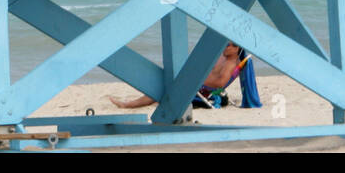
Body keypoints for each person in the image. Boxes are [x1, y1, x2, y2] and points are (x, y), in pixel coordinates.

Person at [107, 42, 251, 109]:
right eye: (224, 44)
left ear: (236, 48)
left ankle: (127, 105)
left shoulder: (231, 64)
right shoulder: (223, 57)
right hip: (197, 83)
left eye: (228, 45)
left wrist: (195, 77)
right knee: (166, 79)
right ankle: (133, 101)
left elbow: (220, 83)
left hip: (202, 90)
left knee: (164, 88)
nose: (224, 46)